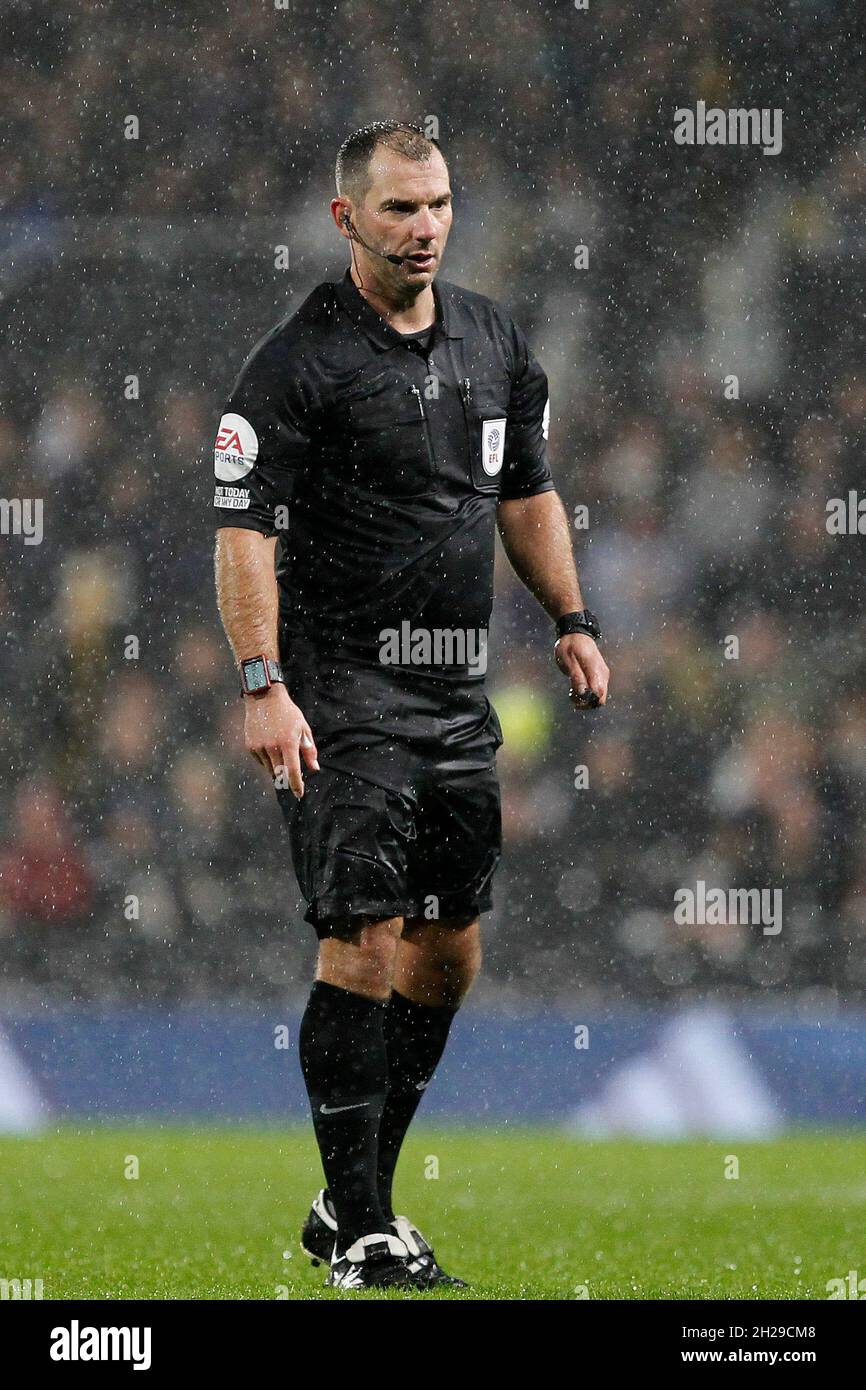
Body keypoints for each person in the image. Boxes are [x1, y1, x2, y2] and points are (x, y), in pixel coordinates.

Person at [213, 121, 609, 1290]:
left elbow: (525, 489)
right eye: (398, 209)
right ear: (346, 221)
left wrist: (573, 620)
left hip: (452, 695)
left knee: (448, 949)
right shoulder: (293, 364)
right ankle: (368, 1228)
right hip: (340, 698)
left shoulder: (491, 338)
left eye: (437, 204)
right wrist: (261, 683)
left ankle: (352, 1204)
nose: (424, 226)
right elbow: (239, 534)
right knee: (364, 935)